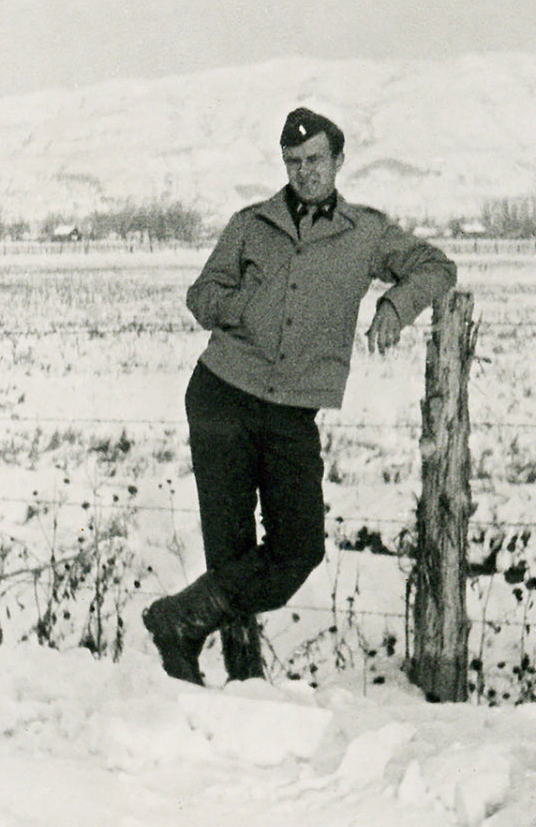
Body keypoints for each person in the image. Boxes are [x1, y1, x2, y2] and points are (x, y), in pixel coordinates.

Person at [142, 106, 457, 685]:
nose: (305, 172)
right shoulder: (251, 224)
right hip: (223, 397)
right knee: (229, 552)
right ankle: (239, 684)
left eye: (315, 160)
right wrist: (244, 308)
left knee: (298, 549)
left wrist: (394, 306)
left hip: (291, 413)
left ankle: (176, 618)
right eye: (293, 162)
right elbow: (201, 296)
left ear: (338, 161)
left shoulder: (365, 233)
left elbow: (437, 266)